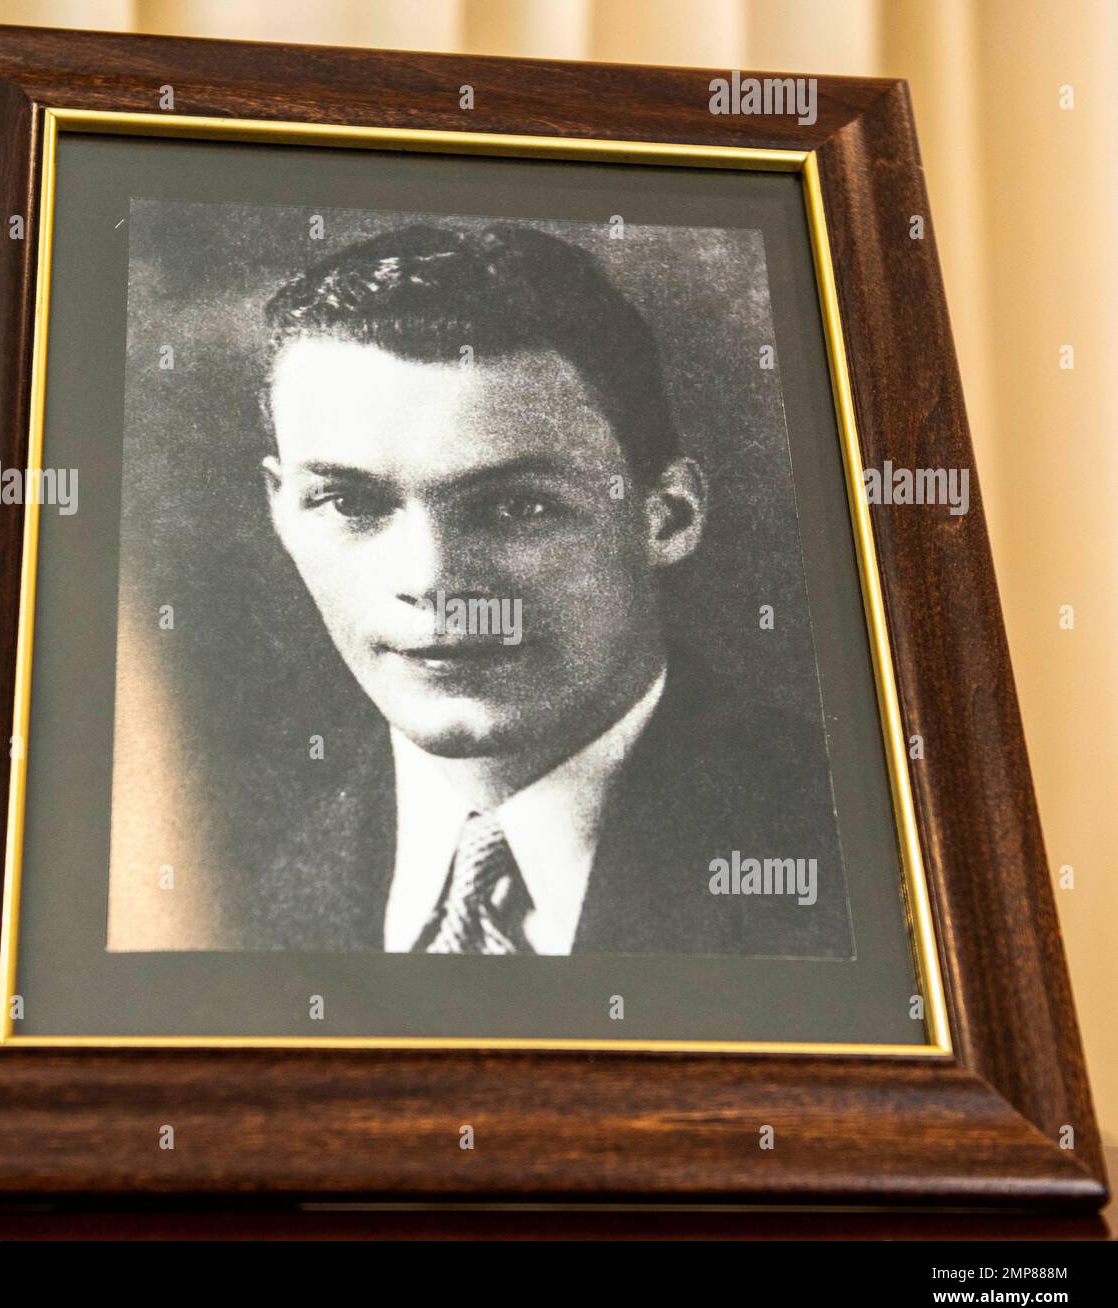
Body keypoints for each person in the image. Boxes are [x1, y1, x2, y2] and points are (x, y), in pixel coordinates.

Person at [249, 221, 850, 957]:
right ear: (282, 509)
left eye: (516, 506)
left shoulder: (849, 847)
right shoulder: (234, 883)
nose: (432, 581)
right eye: (351, 503)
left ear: (666, 519)